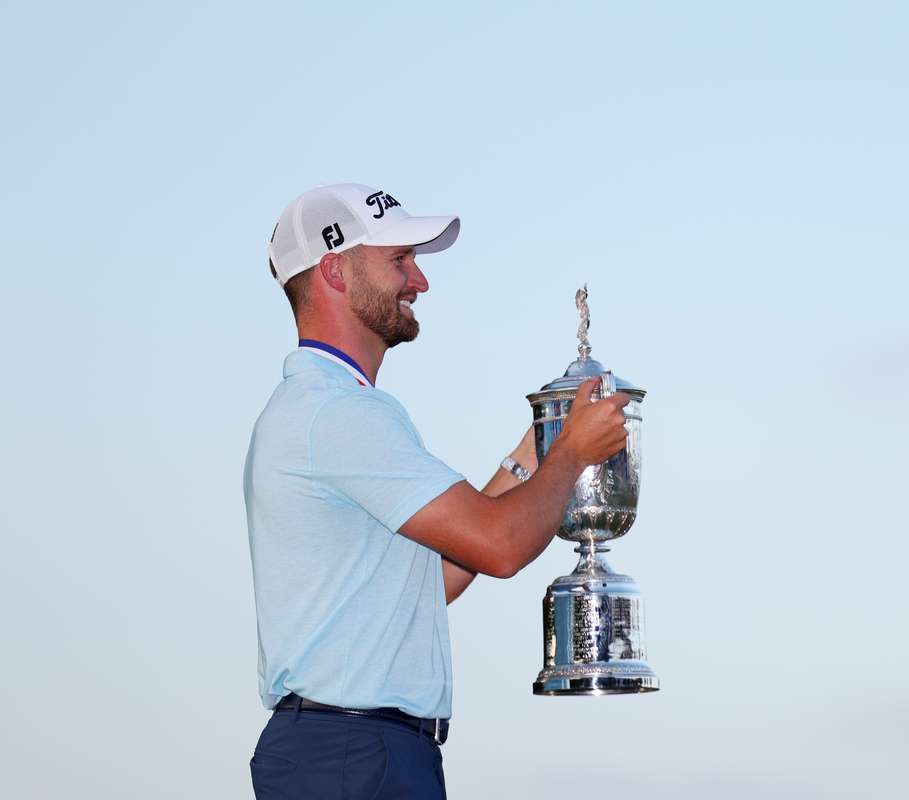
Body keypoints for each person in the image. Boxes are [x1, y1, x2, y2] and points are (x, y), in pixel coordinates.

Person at [244, 183, 630, 799]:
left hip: (358, 750)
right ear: (334, 271)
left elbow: (438, 577)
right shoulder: (339, 415)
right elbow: (499, 545)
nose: (419, 281)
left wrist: (536, 451)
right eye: (400, 260)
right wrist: (575, 453)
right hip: (353, 753)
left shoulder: (329, 411)